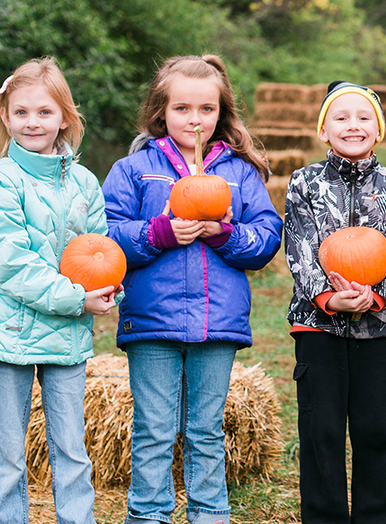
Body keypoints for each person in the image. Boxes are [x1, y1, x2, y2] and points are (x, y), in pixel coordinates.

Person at [102, 54, 282, 524]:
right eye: (182, 108)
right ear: (161, 111)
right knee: (154, 428)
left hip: (217, 321)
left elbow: (266, 238)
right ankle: (148, 514)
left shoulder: (239, 173)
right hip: (152, 321)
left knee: (206, 429)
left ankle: (210, 513)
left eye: (206, 109)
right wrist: (158, 233)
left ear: (221, 113)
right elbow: (106, 236)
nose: (195, 120)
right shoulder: (134, 169)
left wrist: (225, 234)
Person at [0, 57, 117, 524]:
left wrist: (109, 291)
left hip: (67, 338)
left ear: (65, 118)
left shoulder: (85, 183)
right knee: (8, 458)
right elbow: (12, 264)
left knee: (72, 450)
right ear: (5, 117)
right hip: (9, 334)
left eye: (44, 112)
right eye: (21, 112)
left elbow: (100, 251)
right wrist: (77, 299)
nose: (32, 122)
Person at [283, 81, 386, 524]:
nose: (352, 125)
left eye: (364, 118)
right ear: (324, 130)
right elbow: (299, 247)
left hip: (376, 328)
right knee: (320, 431)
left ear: (379, 130)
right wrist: (328, 297)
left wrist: (374, 297)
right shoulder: (304, 183)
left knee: (376, 429)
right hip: (317, 326)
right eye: (340, 117)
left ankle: (376, 518)